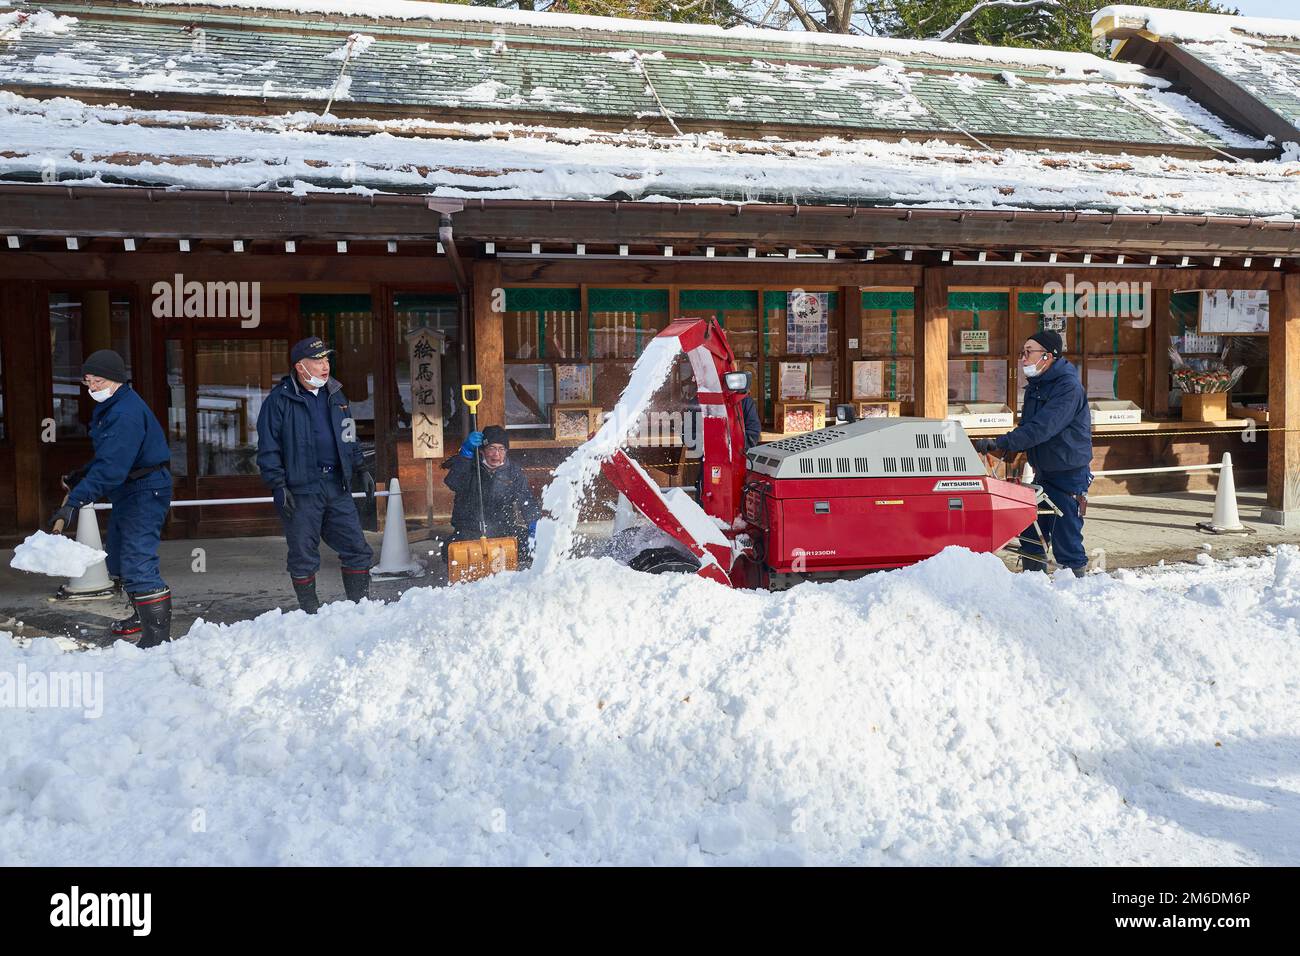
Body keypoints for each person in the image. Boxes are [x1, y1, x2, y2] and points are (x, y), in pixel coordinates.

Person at [51, 349, 174, 647]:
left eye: (99, 381)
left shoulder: (124, 414)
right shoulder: (114, 405)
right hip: (130, 488)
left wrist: (74, 502)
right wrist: (82, 474)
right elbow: (109, 457)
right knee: (119, 556)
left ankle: (156, 638)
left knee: (137, 559)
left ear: (117, 380)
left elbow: (113, 468)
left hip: (146, 489)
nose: (93, 388)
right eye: (88, 381)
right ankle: (139, 616)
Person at [256, 337, 375, 613]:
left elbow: (349, 436)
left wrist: (361, 468)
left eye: (327, 360)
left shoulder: (336, 395)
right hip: (302, 489)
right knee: (303, 555)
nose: (325, 366)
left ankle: (360, 610)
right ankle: (310, 614)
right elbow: (268, 448)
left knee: (357, 549)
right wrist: (277, 484)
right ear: (300, 367)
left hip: (337, 484)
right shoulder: (279, 400)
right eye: (318, 361)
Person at [974, 329, 1092, 576]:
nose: (1023, 358)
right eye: (1023, 352)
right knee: (1031, 532)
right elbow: (1028, 427)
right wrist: (1003, 449)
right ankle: (1033, 584)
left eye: (1029, 352)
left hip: (1068, 473)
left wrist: (1003, 442)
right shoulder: (1036, 386)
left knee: (1066, 538)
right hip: (1044, 471)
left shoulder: (1068, 387)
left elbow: (1043, 427)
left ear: (1047, 356)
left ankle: (1076, 591)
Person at [443, 425, 542, 558]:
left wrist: (533, 523)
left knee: (533, 547)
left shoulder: (513, 472)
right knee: (450, 553)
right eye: (492, 448)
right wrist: (465, 454)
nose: (496, 454)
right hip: (470, 530)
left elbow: (526, 500)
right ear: (483, 451)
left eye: (501, 449)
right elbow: (453, 483)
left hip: (503, 529)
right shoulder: (470, 465)